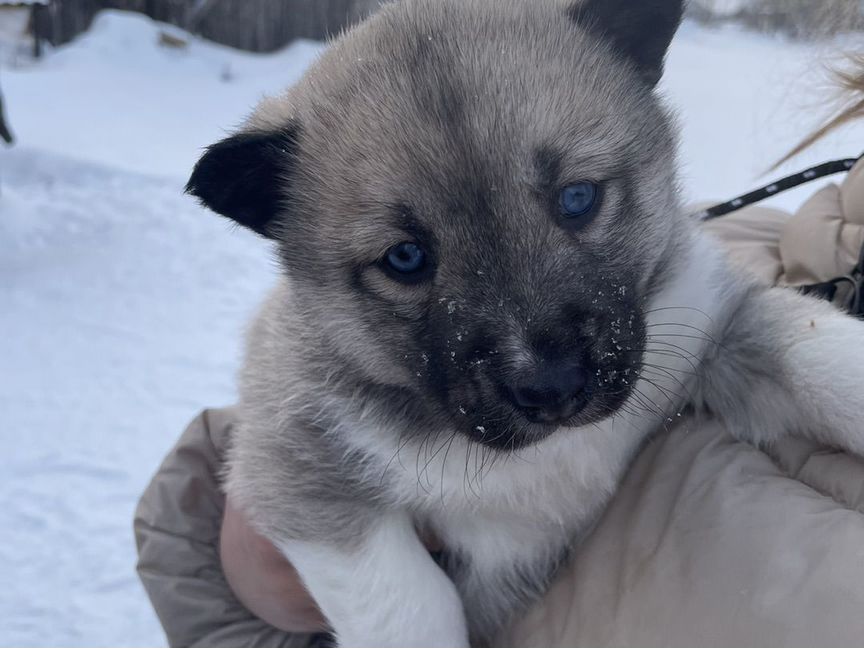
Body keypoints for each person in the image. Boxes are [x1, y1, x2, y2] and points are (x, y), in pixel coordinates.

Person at [135, 61, 864, 648]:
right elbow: (276, 472)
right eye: (409, 257)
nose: (537, 367)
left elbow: (750, 335)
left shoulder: (691, 273)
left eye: (576, 202)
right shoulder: (778, 232)